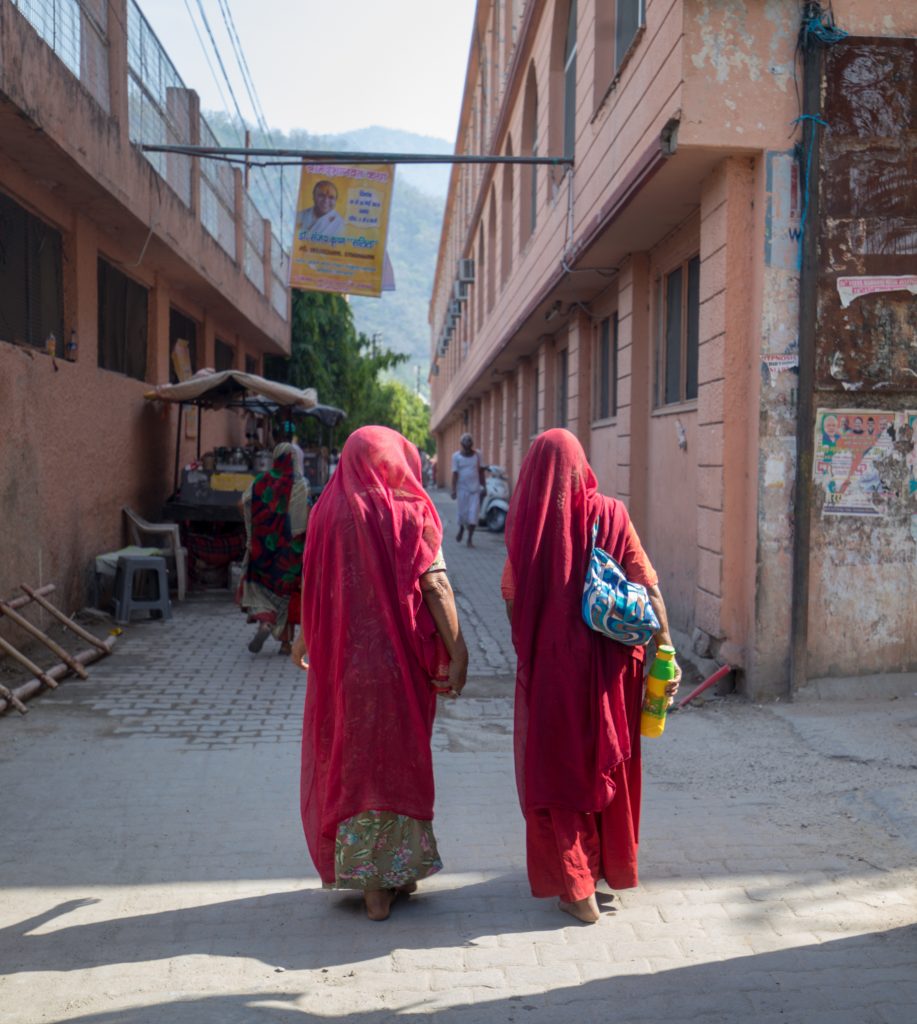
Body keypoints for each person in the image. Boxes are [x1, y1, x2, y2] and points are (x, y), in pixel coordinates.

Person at [501, 429, 681, 925]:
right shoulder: (613, 513)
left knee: (561, 769)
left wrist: (534, 642)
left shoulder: (525, 527)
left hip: (554, 673)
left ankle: (577, 886)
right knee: (607, 761)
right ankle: (608, 870)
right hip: (613, 673)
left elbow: (512, 597)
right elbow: (646, 586)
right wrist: (665, 647)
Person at [292, 426, 469, 921]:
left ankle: (376, 881)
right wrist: (459, 652)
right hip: (396, 668)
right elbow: (435, 585)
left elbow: (314, 577)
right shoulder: (410, 511)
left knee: (354, 766)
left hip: (343, 667)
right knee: (397, 764)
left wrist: (305, 636)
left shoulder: (326, 510)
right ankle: (385, 882)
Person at [238, 442, 310, 656]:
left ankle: (265, 623)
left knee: (260, 589)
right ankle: (286, 644)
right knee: (287, 594)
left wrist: (255, 529)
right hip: (290, 552)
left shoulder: (261, 481)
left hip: (262, 549)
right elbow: (302, 520)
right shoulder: (299, 483)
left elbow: (242, 505)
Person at [451, 432, 485, 546]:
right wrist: (453, 490)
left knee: (474, 515)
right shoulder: (456, 456)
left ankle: (470, 538)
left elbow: (481, 472)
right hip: (462, 490)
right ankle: (461, 529)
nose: (467, 445)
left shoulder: (478, 455)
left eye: (469, 442)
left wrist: (484, 486)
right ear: (462, 444)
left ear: (472, 444)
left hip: (475, 490)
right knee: (463, 514)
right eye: (465, 443)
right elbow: (455, 474)